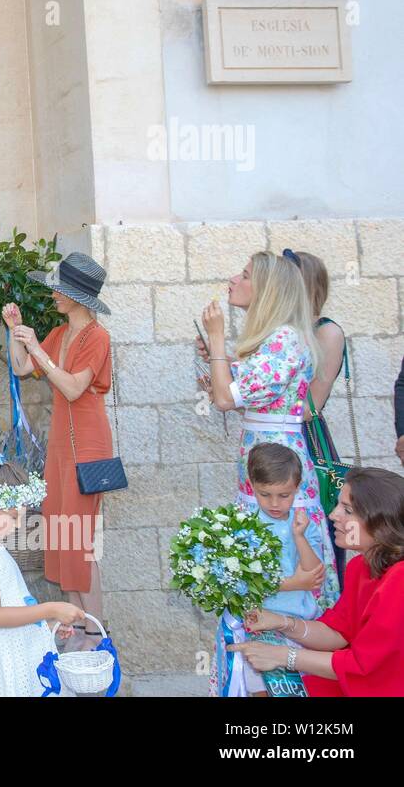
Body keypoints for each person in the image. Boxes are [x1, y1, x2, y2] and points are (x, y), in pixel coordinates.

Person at [199, 251, 338, 607]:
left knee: (282, 536)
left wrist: (217, 339)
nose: (234, 279)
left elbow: (227, 400)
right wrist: (218, 363)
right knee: (260, 537)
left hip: (277, 456)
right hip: (261, 450)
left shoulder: (284, 339)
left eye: (245, 275)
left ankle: (290, 637)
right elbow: (230, 394)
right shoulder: (274, 339)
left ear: (267, 291)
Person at [2, 251, 113, 648]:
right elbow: (20, 368)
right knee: (63, 537)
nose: (53, 295)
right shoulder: (61, 334)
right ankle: (76, 628)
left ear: (78, 297)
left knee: (80, 541)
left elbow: (71, 387)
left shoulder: (96, 337)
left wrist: (38, 348)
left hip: (89, 446)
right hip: (60, 447)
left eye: (59, 290)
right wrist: (15, 331)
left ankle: (96, 636)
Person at [230, 467, 404, 697]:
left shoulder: (399, 580)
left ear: (380, 522)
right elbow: (336, 633)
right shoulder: (359, 566)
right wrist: (281, 622)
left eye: (347, 510)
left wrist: (283, 656)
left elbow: (363, 666)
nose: (333, 515)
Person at [210, 443, 332, 697]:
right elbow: (239, 581)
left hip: (300, 625)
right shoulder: (243, 524)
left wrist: (299, 536)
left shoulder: (303, 523)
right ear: (252, 485)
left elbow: (313, 576)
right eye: (265, 494)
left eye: (284, 495)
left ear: (297, 488)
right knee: (261, 689)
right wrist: (292, 583)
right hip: (258, 623)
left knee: (296, 690)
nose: (275, 503)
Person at [0, 456, 85, 697]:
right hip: (0, 656)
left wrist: (45, 626)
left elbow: (13, 605)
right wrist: (50, 609)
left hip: (16, 647)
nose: (17, 525)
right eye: (13, 517)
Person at [290, 249, 352, 582]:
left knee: (321, 534)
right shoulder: (278, 331)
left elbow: (311, 404)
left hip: (307, 443)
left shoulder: (328, 332)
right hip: (277, 439)